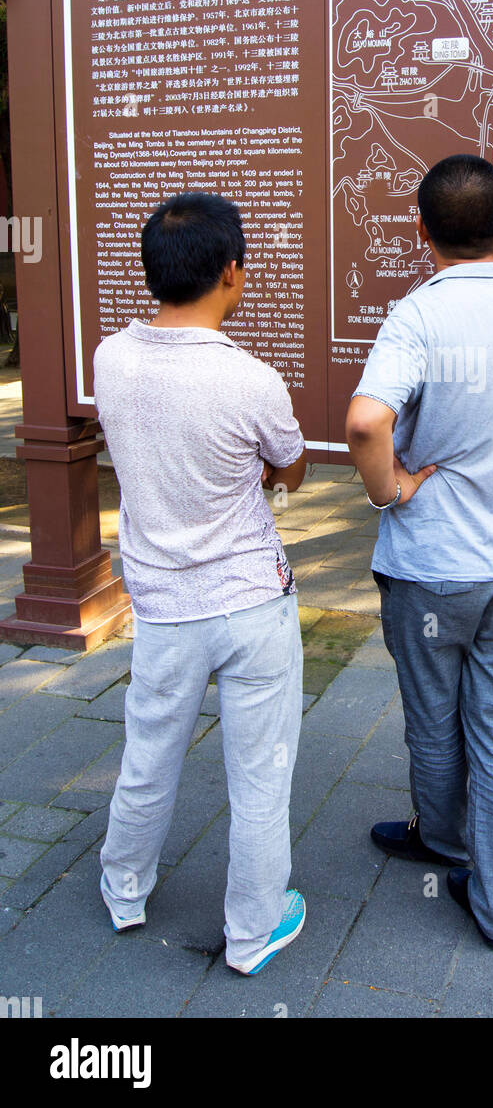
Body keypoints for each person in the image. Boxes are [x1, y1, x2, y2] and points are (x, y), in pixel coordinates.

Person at [345, 154, 493, 948]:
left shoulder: (418, 315)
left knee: (433, 718)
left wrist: (389, 492)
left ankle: (444, 842)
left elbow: (364, 423)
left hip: (429, 567)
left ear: (422, 231)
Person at [93, 191, 308, 976]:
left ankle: (124, 891)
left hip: (162, 605)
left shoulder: (108, 357)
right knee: (261, 775)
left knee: (148, 753)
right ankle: (253, 933)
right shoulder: (252, 379)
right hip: (251, 600)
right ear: (231, 272)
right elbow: (289, 467)